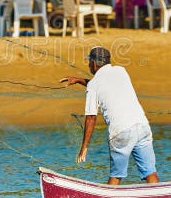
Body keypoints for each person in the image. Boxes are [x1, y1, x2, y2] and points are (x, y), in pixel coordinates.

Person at [60, 47, 159, 185]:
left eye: (89, 62)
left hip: (121, 133)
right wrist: (78, 80)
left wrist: (84, 147)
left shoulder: (94, 85)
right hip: (142, 127)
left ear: (94, 63)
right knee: (150, 172)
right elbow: (103, 84)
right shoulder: (121, 71)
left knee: (116, 175)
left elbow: (91, 118)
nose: (88, 65)